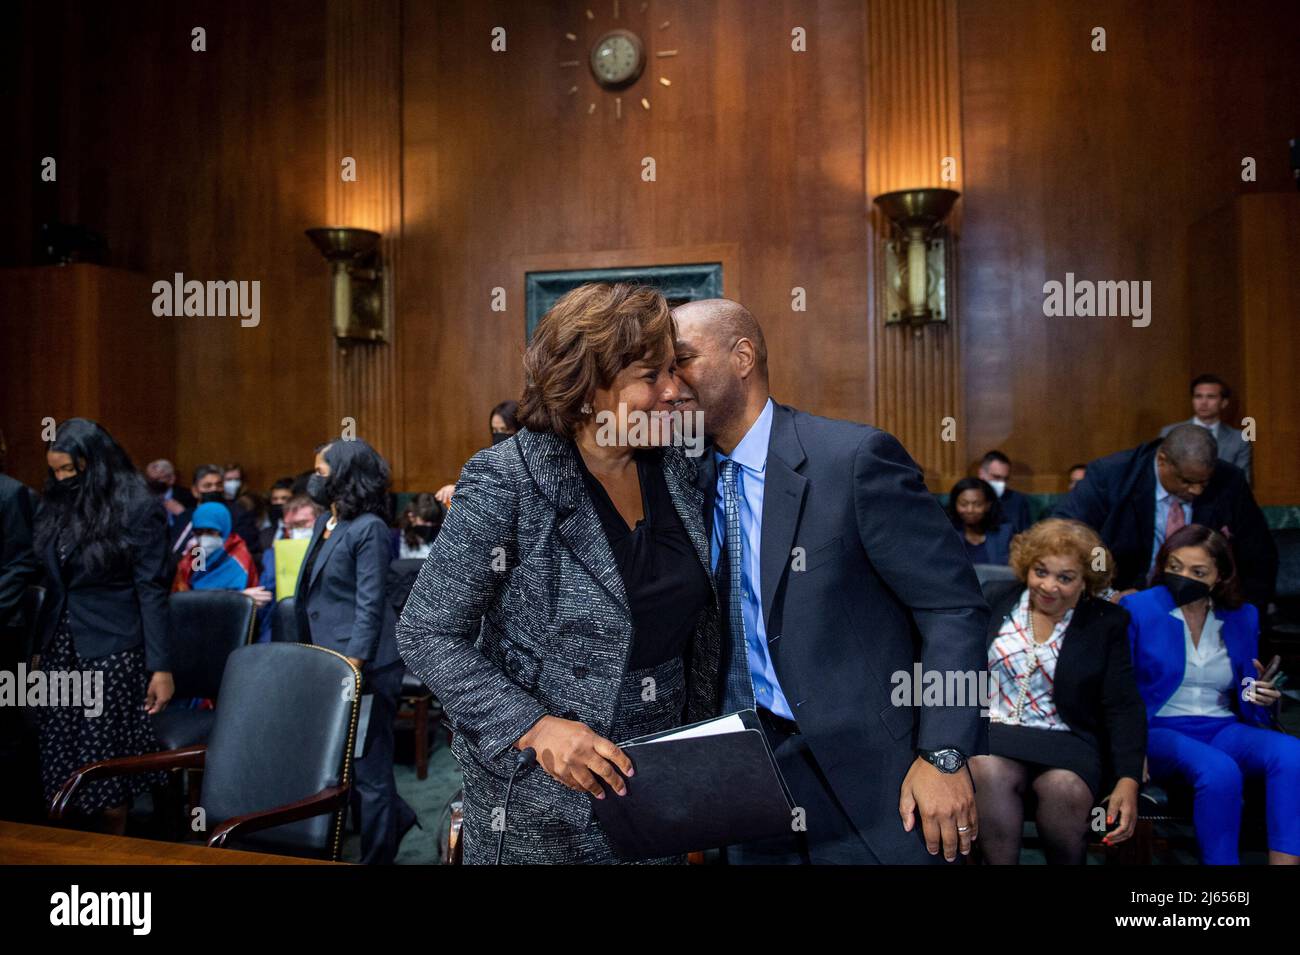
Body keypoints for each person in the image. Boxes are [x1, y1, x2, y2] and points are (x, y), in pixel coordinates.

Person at [398, 283, 720, 865]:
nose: (674, 391)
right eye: (651, 376)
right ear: (589, 388)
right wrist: (535, 726)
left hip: (658, 785)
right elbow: (425, 633)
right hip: (543, 800)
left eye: (674, 370)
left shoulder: (678, 465)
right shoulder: (507, 478)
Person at [671, 298, 987, 864]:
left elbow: (952, 608)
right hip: (747, 775)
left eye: (683, 361)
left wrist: (944, 751)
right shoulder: (684, 478)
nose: (669, 385)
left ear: (742, 357)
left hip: (874, 775)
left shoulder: (853, 459)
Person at [1122, 524, 1300, 865]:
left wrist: (1261, 693)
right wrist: (1130, 748)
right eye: (1175, 567)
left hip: (1221, 725)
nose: (1183, 576)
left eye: (1198, 571)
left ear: (1219, 576)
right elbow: (1120, 687)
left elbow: (1244, 684)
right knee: (1220, 771)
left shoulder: (1241, 616)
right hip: (1159, 728)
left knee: (1292, 753)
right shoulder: (1139, 608)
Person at [972, 519, 1146, 864]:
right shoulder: (993, 597)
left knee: (1063, 788)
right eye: (1041, 571)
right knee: (986, 769)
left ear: (1086, 581)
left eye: (1065, 578)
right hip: (996, 731)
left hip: (1068, 738)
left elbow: (1122, 705)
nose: (1048, 586)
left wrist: (1129, 778)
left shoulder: (1105, 621)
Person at [32, 418, 173, 834]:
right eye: (55, 471)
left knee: (104, 766)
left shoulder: (136, 505)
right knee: (58, 755)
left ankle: (112, 857)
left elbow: (152, 590)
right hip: (61, 644)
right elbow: (53, 584)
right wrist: (39, 648)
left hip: (112, 647)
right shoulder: (58, 502)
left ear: (94, 464)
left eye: (69, 471)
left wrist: (160, 666)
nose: (60, 478)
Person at [296, 437, 417, 864]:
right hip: (326, 663)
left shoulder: (369, 527)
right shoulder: (325, 523)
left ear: (345, 476)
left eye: (321, 472)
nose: (314, 479)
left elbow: (370, 602)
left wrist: (354, 665)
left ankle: (378, 855)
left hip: (362, 667)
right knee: (337, 762)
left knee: (368, 769)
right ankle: (395, 818)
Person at [1054, 423, 1276, 610]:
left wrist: (1243, 612)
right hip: (1120, 601)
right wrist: (1105, 593)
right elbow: (1065, 533)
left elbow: (1258, 556)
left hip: (1204, 607)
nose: (1197, 491)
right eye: (1187, 481)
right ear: (1162, 461)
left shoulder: (1229, 481)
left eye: (1204, 483)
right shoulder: (1111, 475)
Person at [1160, 374, 1252, 484]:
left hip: (1223, 499)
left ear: (1224, 403)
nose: (1203, 402)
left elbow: (1243, 482)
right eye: (1198, 396)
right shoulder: (1169, 433)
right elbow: (1162, 474)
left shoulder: (1239, 439)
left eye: (1211, 397)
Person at [170, 501, 266, 607]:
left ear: (224, 528)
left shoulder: (238, 557)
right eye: (199, 532)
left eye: (211, 532)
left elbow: (244, 600)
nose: (204, 538)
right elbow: (182, 593)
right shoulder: (197, 553)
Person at [255, 494, 321, 642]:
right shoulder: (272, 556)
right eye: (290, 527)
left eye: (302, 524)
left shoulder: (332, 552)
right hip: (279, 631)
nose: (295, 531)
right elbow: (266, 606)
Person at [434, 400, 520, 508]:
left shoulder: (526, 461)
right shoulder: (486, 457)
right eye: (495, 430)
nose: (499, 435)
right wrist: (455, 489)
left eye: (504, 430)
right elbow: (476, 486)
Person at [946, 477, 1013, 565]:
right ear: (954, 504)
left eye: (977, 504)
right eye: (963, 504)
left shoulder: (1005, 533)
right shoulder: (947, 534)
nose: (970, 510)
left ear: (988, 505)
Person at [978, 450, 1033, 534]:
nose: (1002, 483)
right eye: (996, 477)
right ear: (981, 473)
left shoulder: (1018, 500)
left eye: (1005, 479)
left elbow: (1025, 535)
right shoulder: (967, 498)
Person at [144, 459, 195, 530]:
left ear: (172, 479)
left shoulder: (188, 496)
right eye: (149, 479)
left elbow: (195, 524)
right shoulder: (142, 497)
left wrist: (183, 513)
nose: (153, 483)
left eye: (158, 479)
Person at [392, 492, 442, 560]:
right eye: (425, 521)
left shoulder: (441, 535)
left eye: (433, 522)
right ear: (411, 517)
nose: (429, 525)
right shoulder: (396, 537)